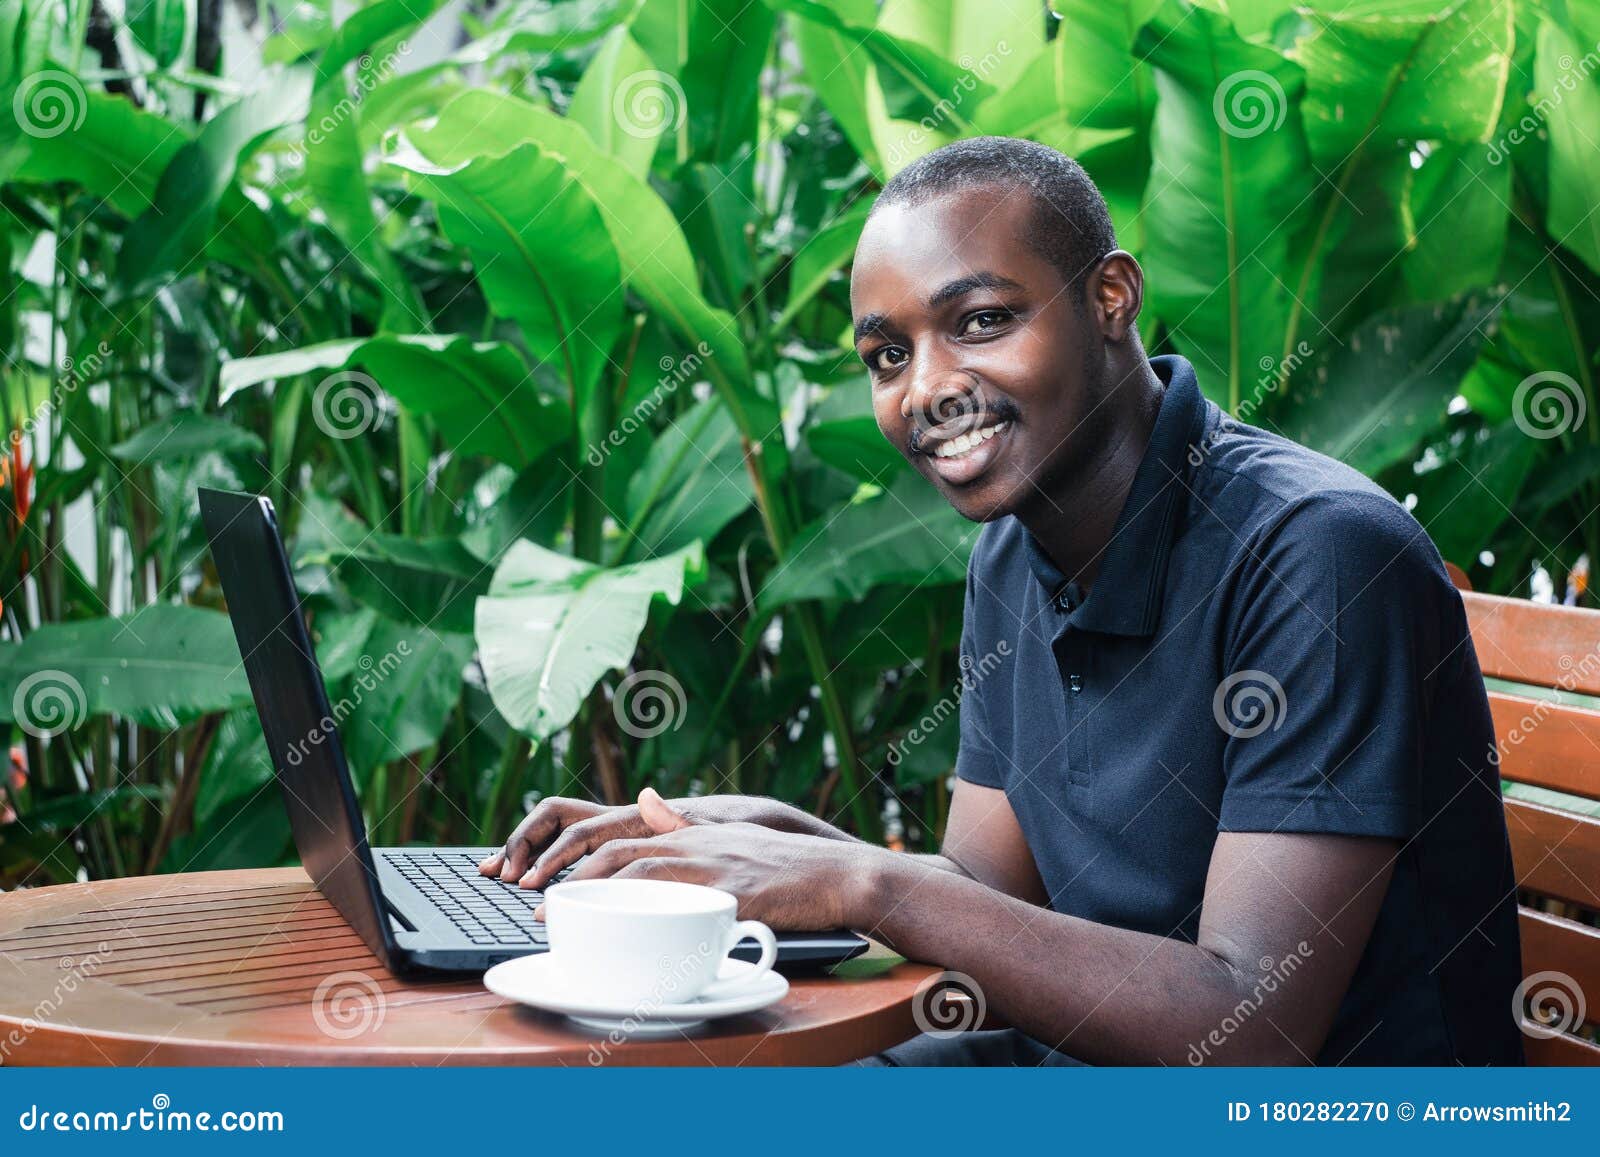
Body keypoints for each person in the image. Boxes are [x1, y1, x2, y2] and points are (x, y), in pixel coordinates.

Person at [480, 137, 1525, 1065]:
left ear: (1109, 295)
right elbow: (988, 900)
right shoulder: (1015, 549)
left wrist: (859, 882)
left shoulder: (1316, 555)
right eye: (888, 355)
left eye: (980, 320)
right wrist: (763, 842)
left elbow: (1248, 1028)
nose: (926, 386)